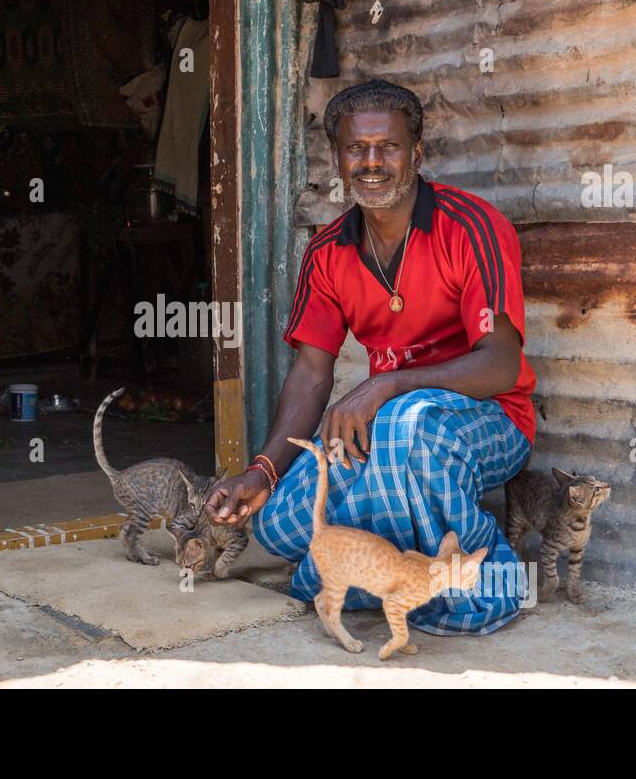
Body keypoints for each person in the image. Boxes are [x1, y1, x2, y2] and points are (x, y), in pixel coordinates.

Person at [204, 79, 537, 634]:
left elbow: (501, 365)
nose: (372, 162)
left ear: (417, 153)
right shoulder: (328, 251)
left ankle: (483, 585)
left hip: (493, 421)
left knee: (406, 425)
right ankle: (393, 574)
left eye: (388, 147)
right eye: (356, 149)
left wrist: (384, 386)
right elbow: (312, 375)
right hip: (388, 429)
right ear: (338, 158)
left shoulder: (473, 227)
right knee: (280, 528)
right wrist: (262, 471)